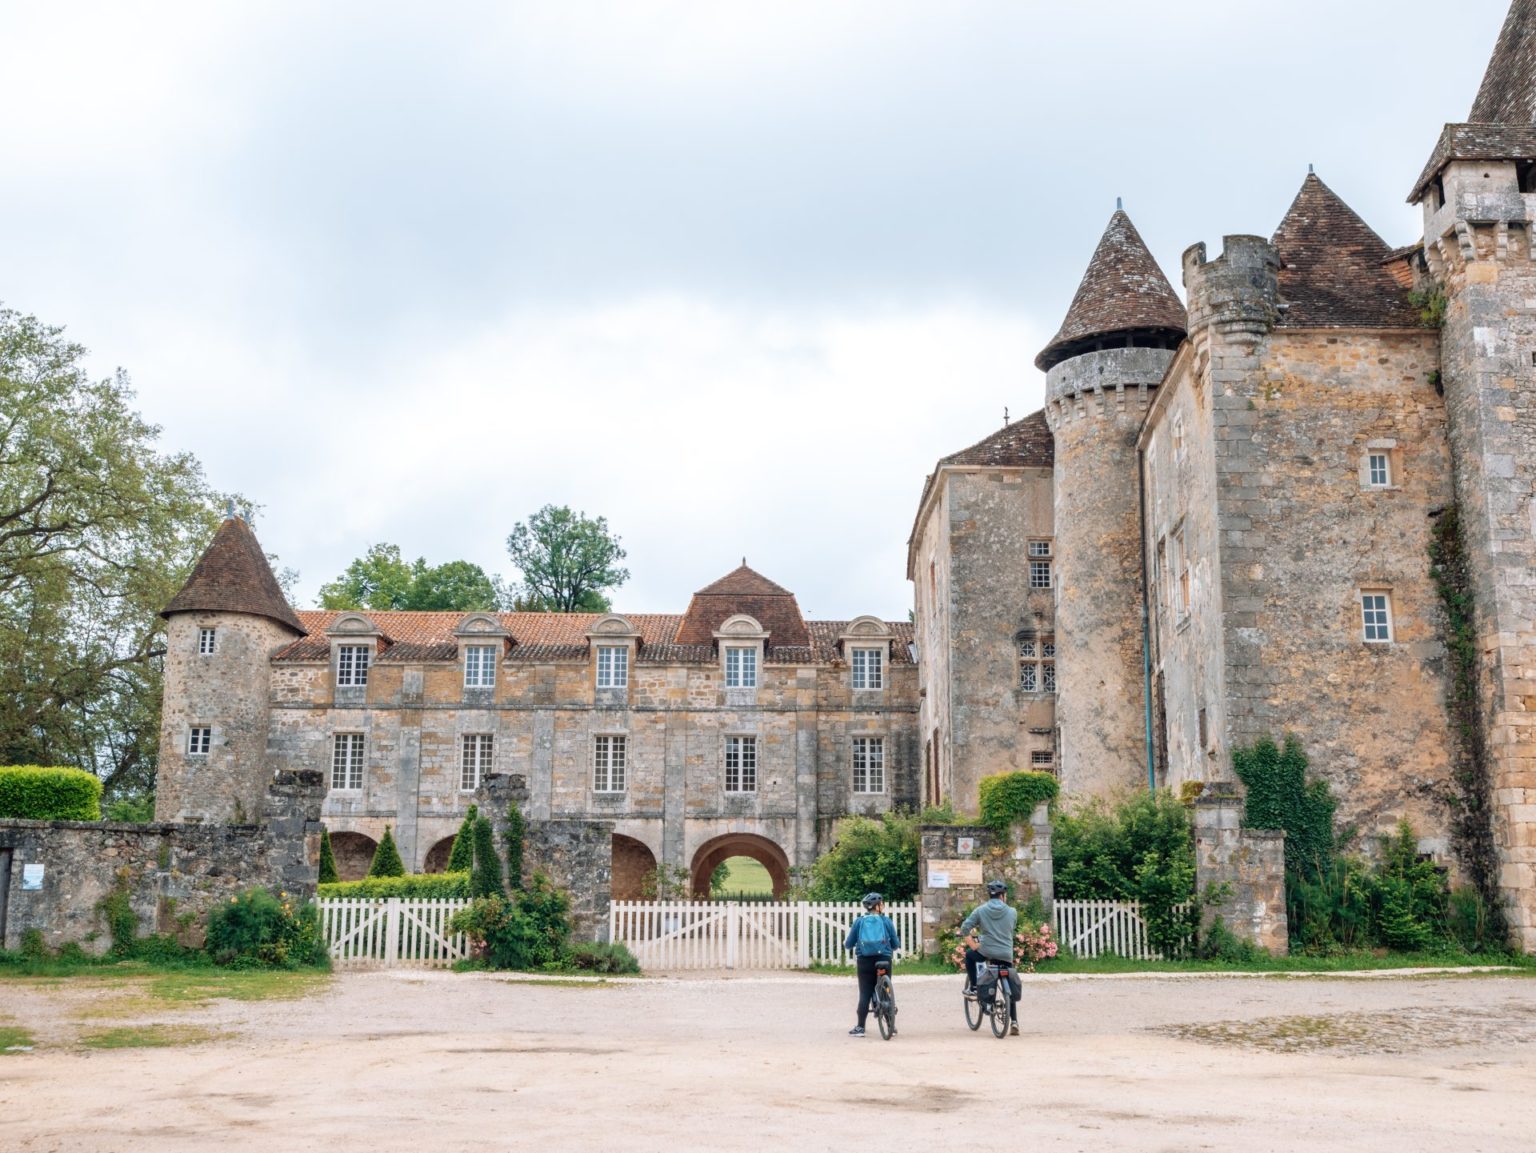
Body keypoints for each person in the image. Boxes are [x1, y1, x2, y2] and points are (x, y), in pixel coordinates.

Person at [959, 880, 1020, 1035]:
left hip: (986, 951)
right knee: (1010, 989)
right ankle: (1014, 1022)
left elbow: (965, 927)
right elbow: (1010, 929)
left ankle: (973, 987)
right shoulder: (1012, 912)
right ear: (1003, 896)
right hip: (1006, 953)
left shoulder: (981, 910)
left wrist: (973, 945)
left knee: (969, 956)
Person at [844, 891, 900, 1037]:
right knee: (885, 990)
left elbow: (849, 944)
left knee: (865, 993)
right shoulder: (886, 921)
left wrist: (849, 945)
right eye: (882, 903)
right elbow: (895, 944)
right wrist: (890, 947)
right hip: (884, 959)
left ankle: (860, 1028)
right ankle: (890, 1026)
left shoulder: (859, 921)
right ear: (878, 906)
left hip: (865, 960)